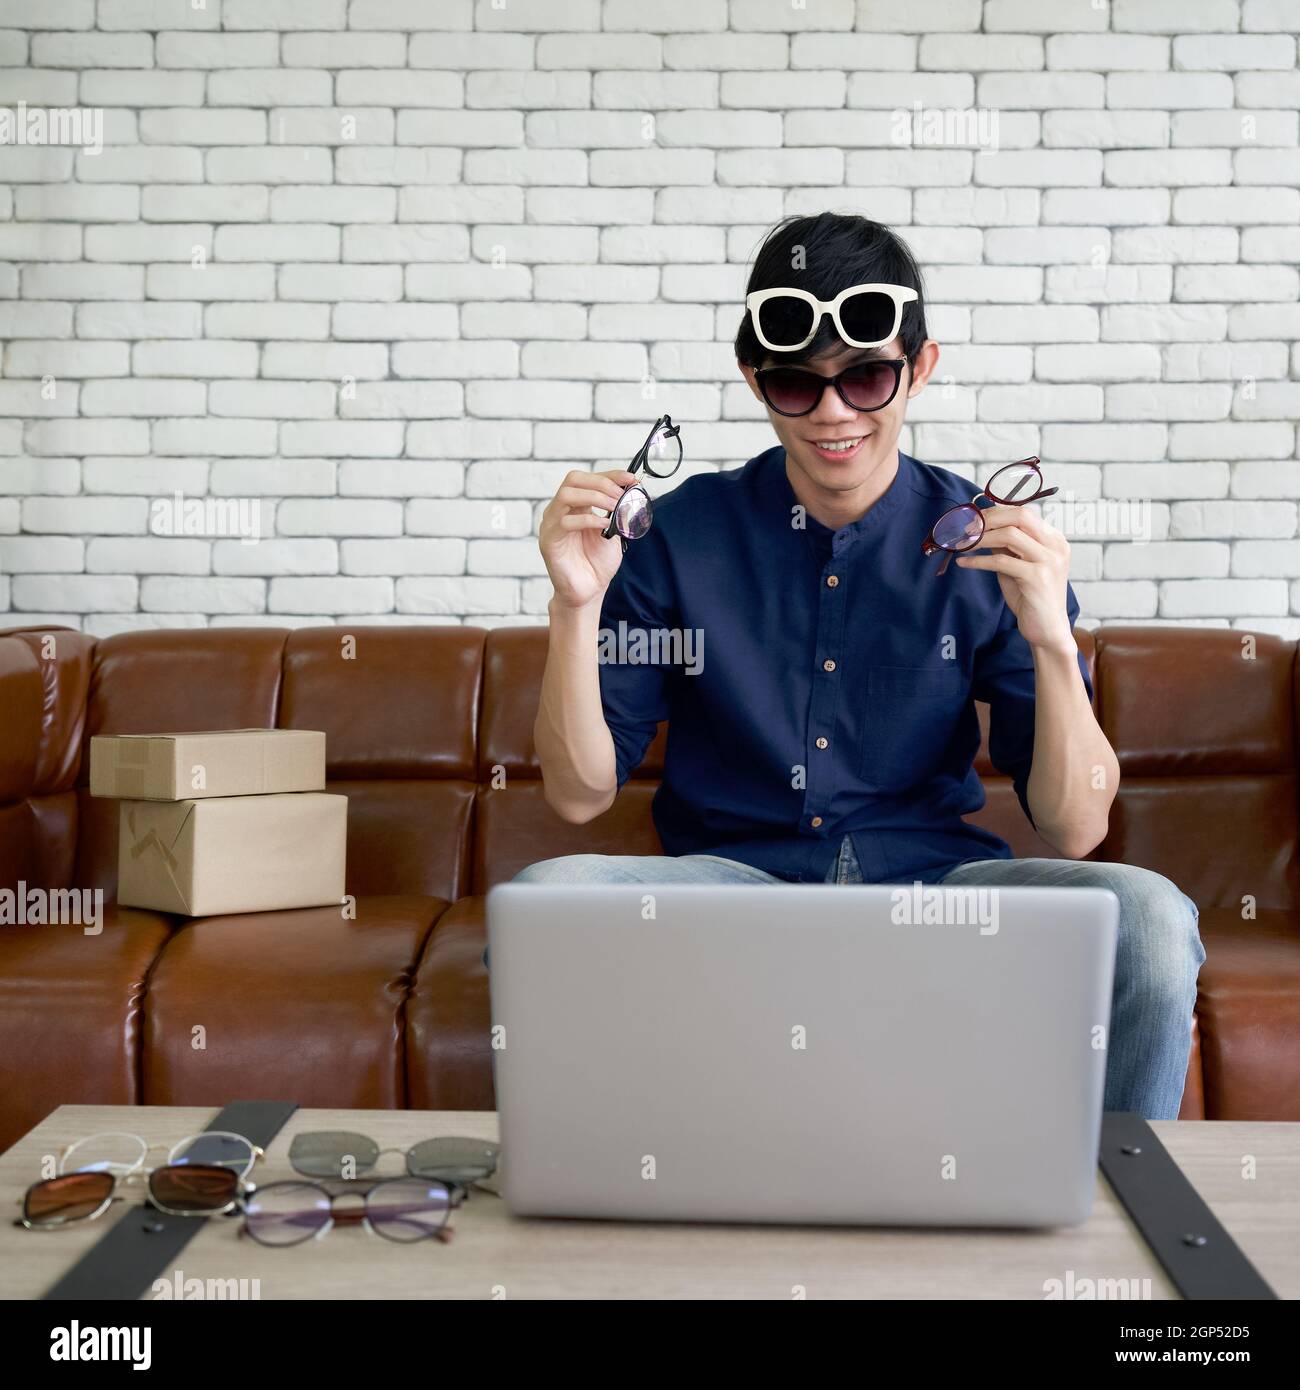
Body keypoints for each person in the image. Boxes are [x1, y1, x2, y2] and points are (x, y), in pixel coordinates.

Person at [518, 212, 1204, 1121]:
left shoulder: (985, 543)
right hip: (736, 892)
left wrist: (1048, 638)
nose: (834, 414)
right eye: (798, 385)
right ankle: (598, 1214)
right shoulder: (680, 537)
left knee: (1151, 920)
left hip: (937, 889)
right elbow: (577, 797)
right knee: (547, 901)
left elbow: (1075, 831)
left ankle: (1126, 1208)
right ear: (755, 380)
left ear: (918, 368)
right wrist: (576, 605)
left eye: (867, 377)